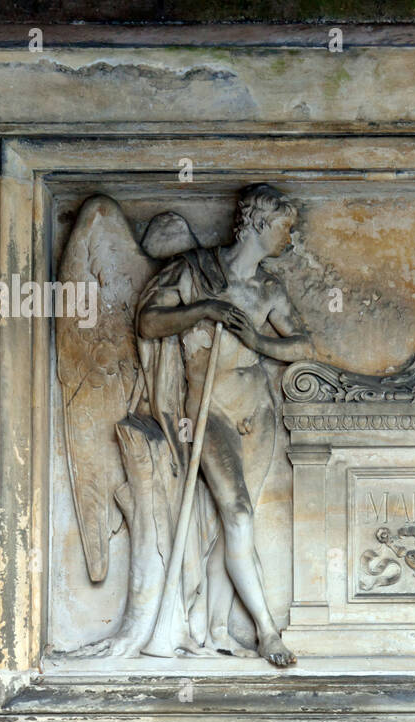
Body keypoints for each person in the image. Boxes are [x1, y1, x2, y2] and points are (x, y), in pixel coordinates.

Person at [136, 184, 313, 666]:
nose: (290, 239)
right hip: (207, 409)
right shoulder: (195, 270)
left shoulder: (269, 289)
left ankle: (217, 628)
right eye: (285, 228)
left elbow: (302, 345)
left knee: (237, 526)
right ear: (257, 222)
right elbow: (148, 322)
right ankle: (268, 630)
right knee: (236, 516)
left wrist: (256, 340)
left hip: (256, 410)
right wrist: (205, 309)